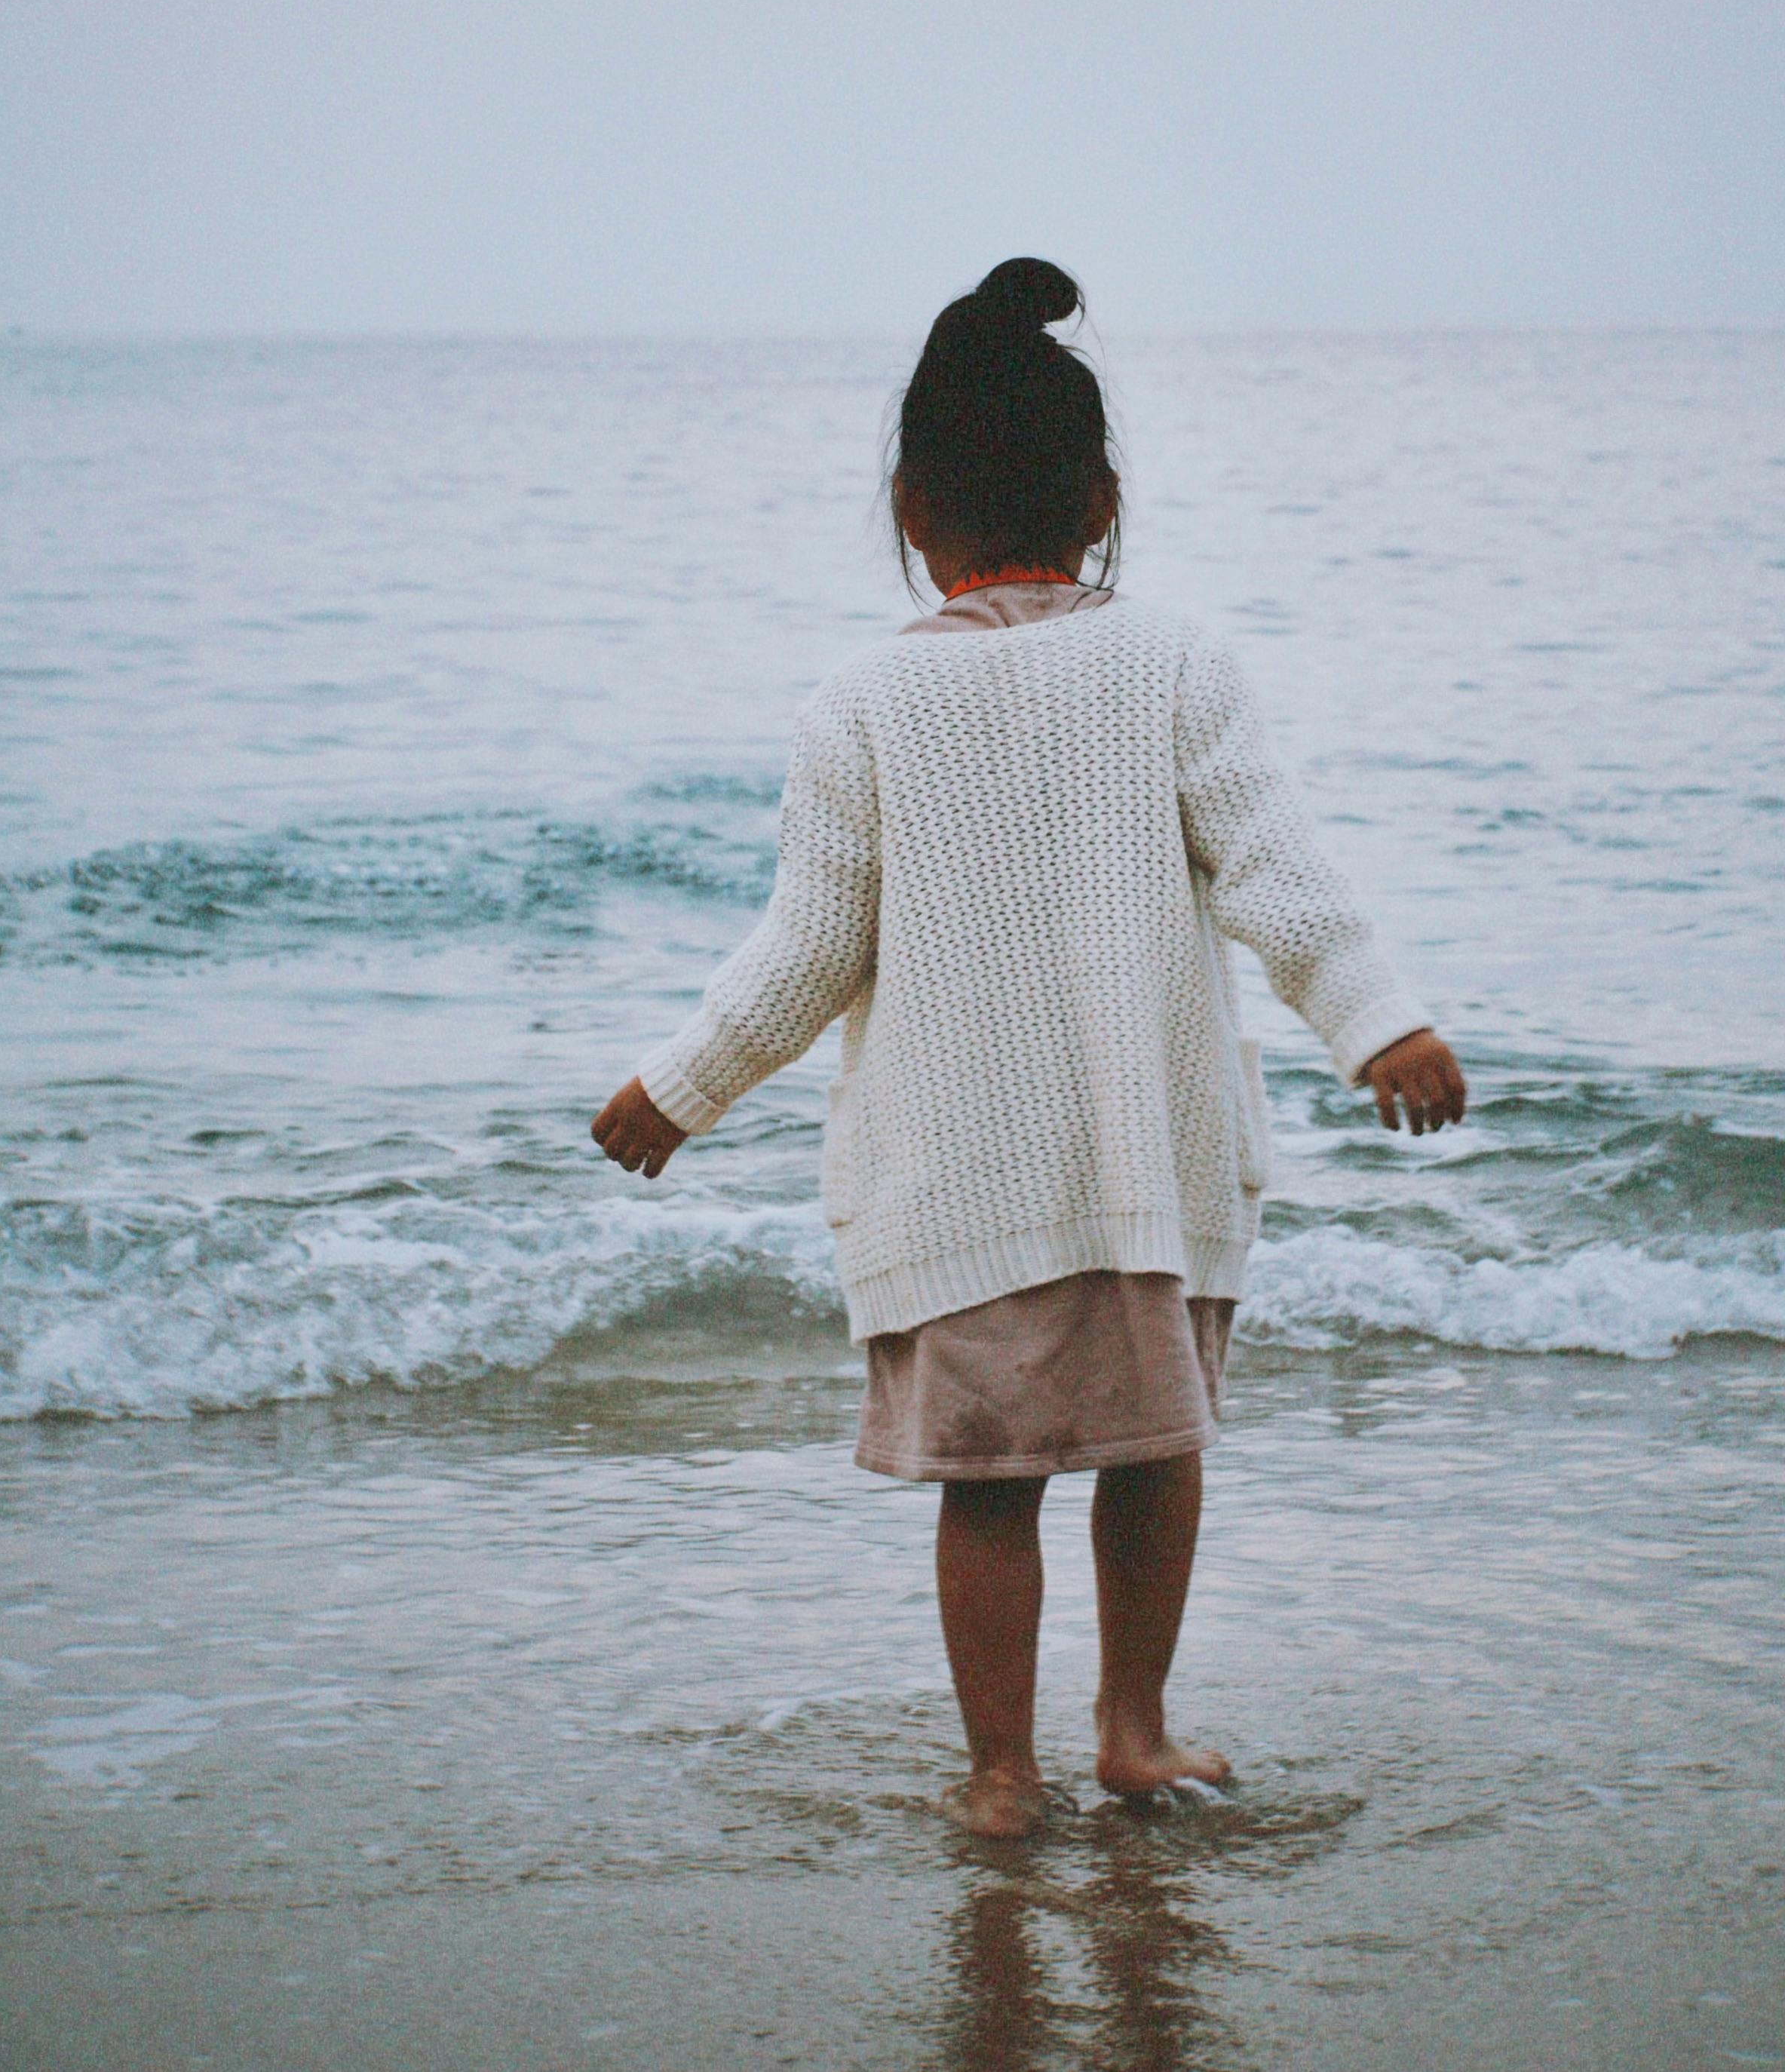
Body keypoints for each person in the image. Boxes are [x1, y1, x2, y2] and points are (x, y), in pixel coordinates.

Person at [594, 257, 1467, 1837]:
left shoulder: (858, 702)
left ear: (912, 511)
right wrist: (1378, 1021)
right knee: (1152, 1451)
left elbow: (806, 951)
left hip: (958, 1184)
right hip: (1148, 1171)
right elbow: (1276, 873)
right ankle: (1131, 1733)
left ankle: (1001, 1776)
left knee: (986, 1489)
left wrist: (679, 1090)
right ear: (1103, 498)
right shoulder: (1178, 662)